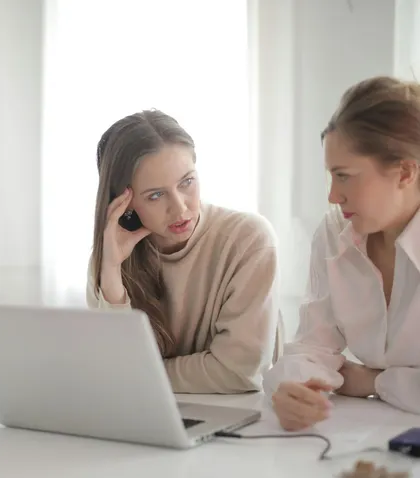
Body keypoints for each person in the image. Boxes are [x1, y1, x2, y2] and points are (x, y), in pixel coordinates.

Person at [86, 109, 282, 394]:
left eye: (187, 183)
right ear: (124, 204)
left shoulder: (249, 240)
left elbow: (238, 372)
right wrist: (112, 273)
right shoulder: (112, 257)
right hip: (150, 414)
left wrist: (142, 374)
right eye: (155, 195)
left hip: (241, 417)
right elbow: (112, 367)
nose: (180, 208)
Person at [264, 76, 420, 431]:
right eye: (330, 176)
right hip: (370, 433)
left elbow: (360, 380)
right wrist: (293, 388)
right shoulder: (336, 232)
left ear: (405, 172)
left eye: (344, 176)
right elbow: (311, 346)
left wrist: (373, 382)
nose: (333, 195)